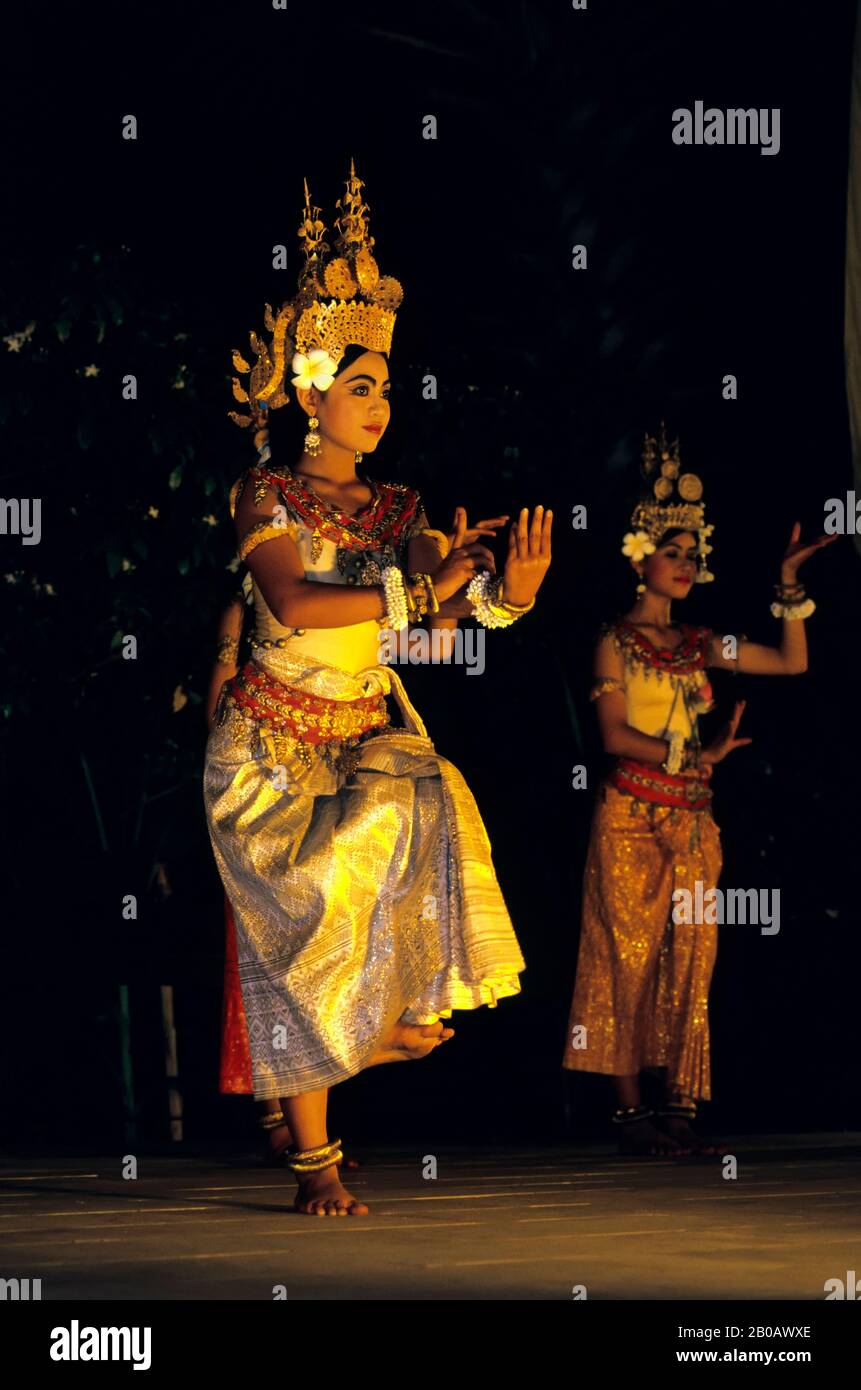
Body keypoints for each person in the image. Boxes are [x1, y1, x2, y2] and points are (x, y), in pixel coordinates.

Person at [203, 161, 553, 1215]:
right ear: (310, 390)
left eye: (388, 387)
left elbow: (440, 620)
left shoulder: (401, 505)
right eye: (361, 386)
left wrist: (506, 601)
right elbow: (302, 607)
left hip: (362, 732)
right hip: (267, 745)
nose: (380, 406)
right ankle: (319, 1163)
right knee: (306, 915)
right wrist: (421, 586)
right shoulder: (262, 490)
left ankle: (379, 1016)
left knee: (421, 796)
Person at [562, 423, 836, 1157]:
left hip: (690, 820)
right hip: (628, 812)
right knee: (626, 953)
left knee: (691, 954)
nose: (683, 564)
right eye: (670, 552)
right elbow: (615, 738)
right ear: (637, 558)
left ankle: (676, 1104)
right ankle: (626, 1113)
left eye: (691, 554)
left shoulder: (700, 643)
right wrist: (693, 751)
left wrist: (785, 587)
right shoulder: (613, 641)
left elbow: (788, 662)